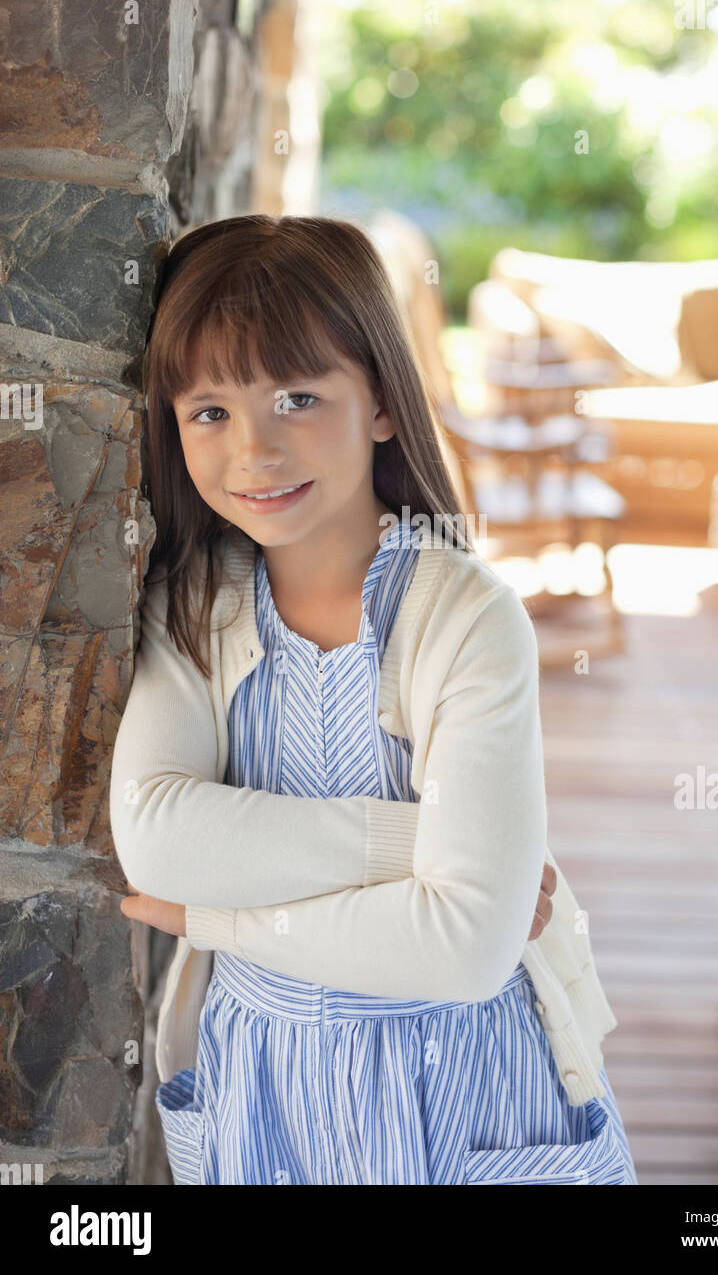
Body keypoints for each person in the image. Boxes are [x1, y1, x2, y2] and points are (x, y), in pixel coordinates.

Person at [110, 213, 638, 1186]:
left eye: (298, 397)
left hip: (461, 1086)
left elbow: (464, 949)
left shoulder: (463, 619)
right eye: (210, 412)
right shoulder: (195, 607)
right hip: (267, 1089)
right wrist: (424, 852)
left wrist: (216, 917)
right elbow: (160, 842)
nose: (254, 451)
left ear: (384, 404)